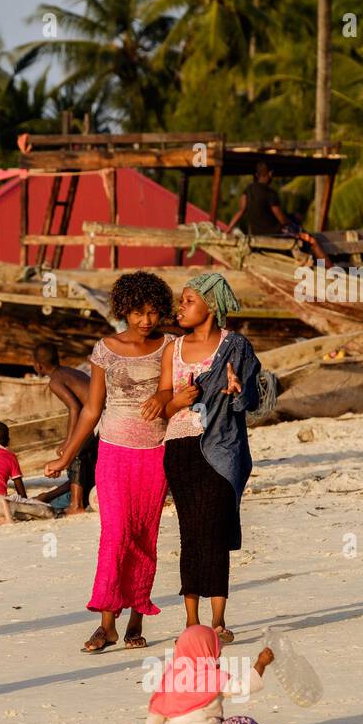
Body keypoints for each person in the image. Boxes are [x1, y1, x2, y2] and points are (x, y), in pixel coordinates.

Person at [46, 272, 173, 653]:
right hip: (114, 453)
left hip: (156, 455)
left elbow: (174, 389)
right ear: (123, 310)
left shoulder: (169, 345)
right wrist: (66, 457)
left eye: (152, 312)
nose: (145, 320)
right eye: (137, 312)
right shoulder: (104, 349)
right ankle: (106, 624)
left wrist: (165, 399)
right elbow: (91, 409)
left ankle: (136, 617)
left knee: (143, 537)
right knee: (115, 536)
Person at [150, 273, 261, 644]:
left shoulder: (236, 346)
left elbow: (254, 397)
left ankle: (218, 621)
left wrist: (235, 390)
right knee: (190, 532)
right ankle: (191, 620)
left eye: (188, 300)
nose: (180, 307)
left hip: (220, 447)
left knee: (214, 530)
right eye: (181, 301)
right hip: (179, 447)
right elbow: (162, 401)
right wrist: (176, 401)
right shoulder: (172, 349)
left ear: (211, 306)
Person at [132, 625, 286, 724]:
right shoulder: (212, 677)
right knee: (244, 723)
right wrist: (261, 663)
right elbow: (245, 686)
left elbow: (158, 712)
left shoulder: (170, 679)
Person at [32, 342, 95, 514]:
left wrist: (69, 441)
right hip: (103, 416)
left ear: (38, 365)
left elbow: (75, 407)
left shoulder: (54, 381)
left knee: (74, 454)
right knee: (82, 465)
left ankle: (76, 505)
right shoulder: (71, 372)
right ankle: (48, 497)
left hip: (97, 418)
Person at [224, 162, 327, 261]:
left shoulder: (248, 190)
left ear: (256, 175)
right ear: (270, 174)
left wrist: (227, 231)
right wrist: (293, 221)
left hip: (257, 236)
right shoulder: (270, 193)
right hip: (276, 235)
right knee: (313, 241)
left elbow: (240, 211)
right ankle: (328, 269)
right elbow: (282, 220)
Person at [0, 421, 55, 524]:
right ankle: (8, 506)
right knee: (48, 511)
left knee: (1, 515)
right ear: (7, 441)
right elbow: (20, 490)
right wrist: (24, 501)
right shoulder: (9, 456)